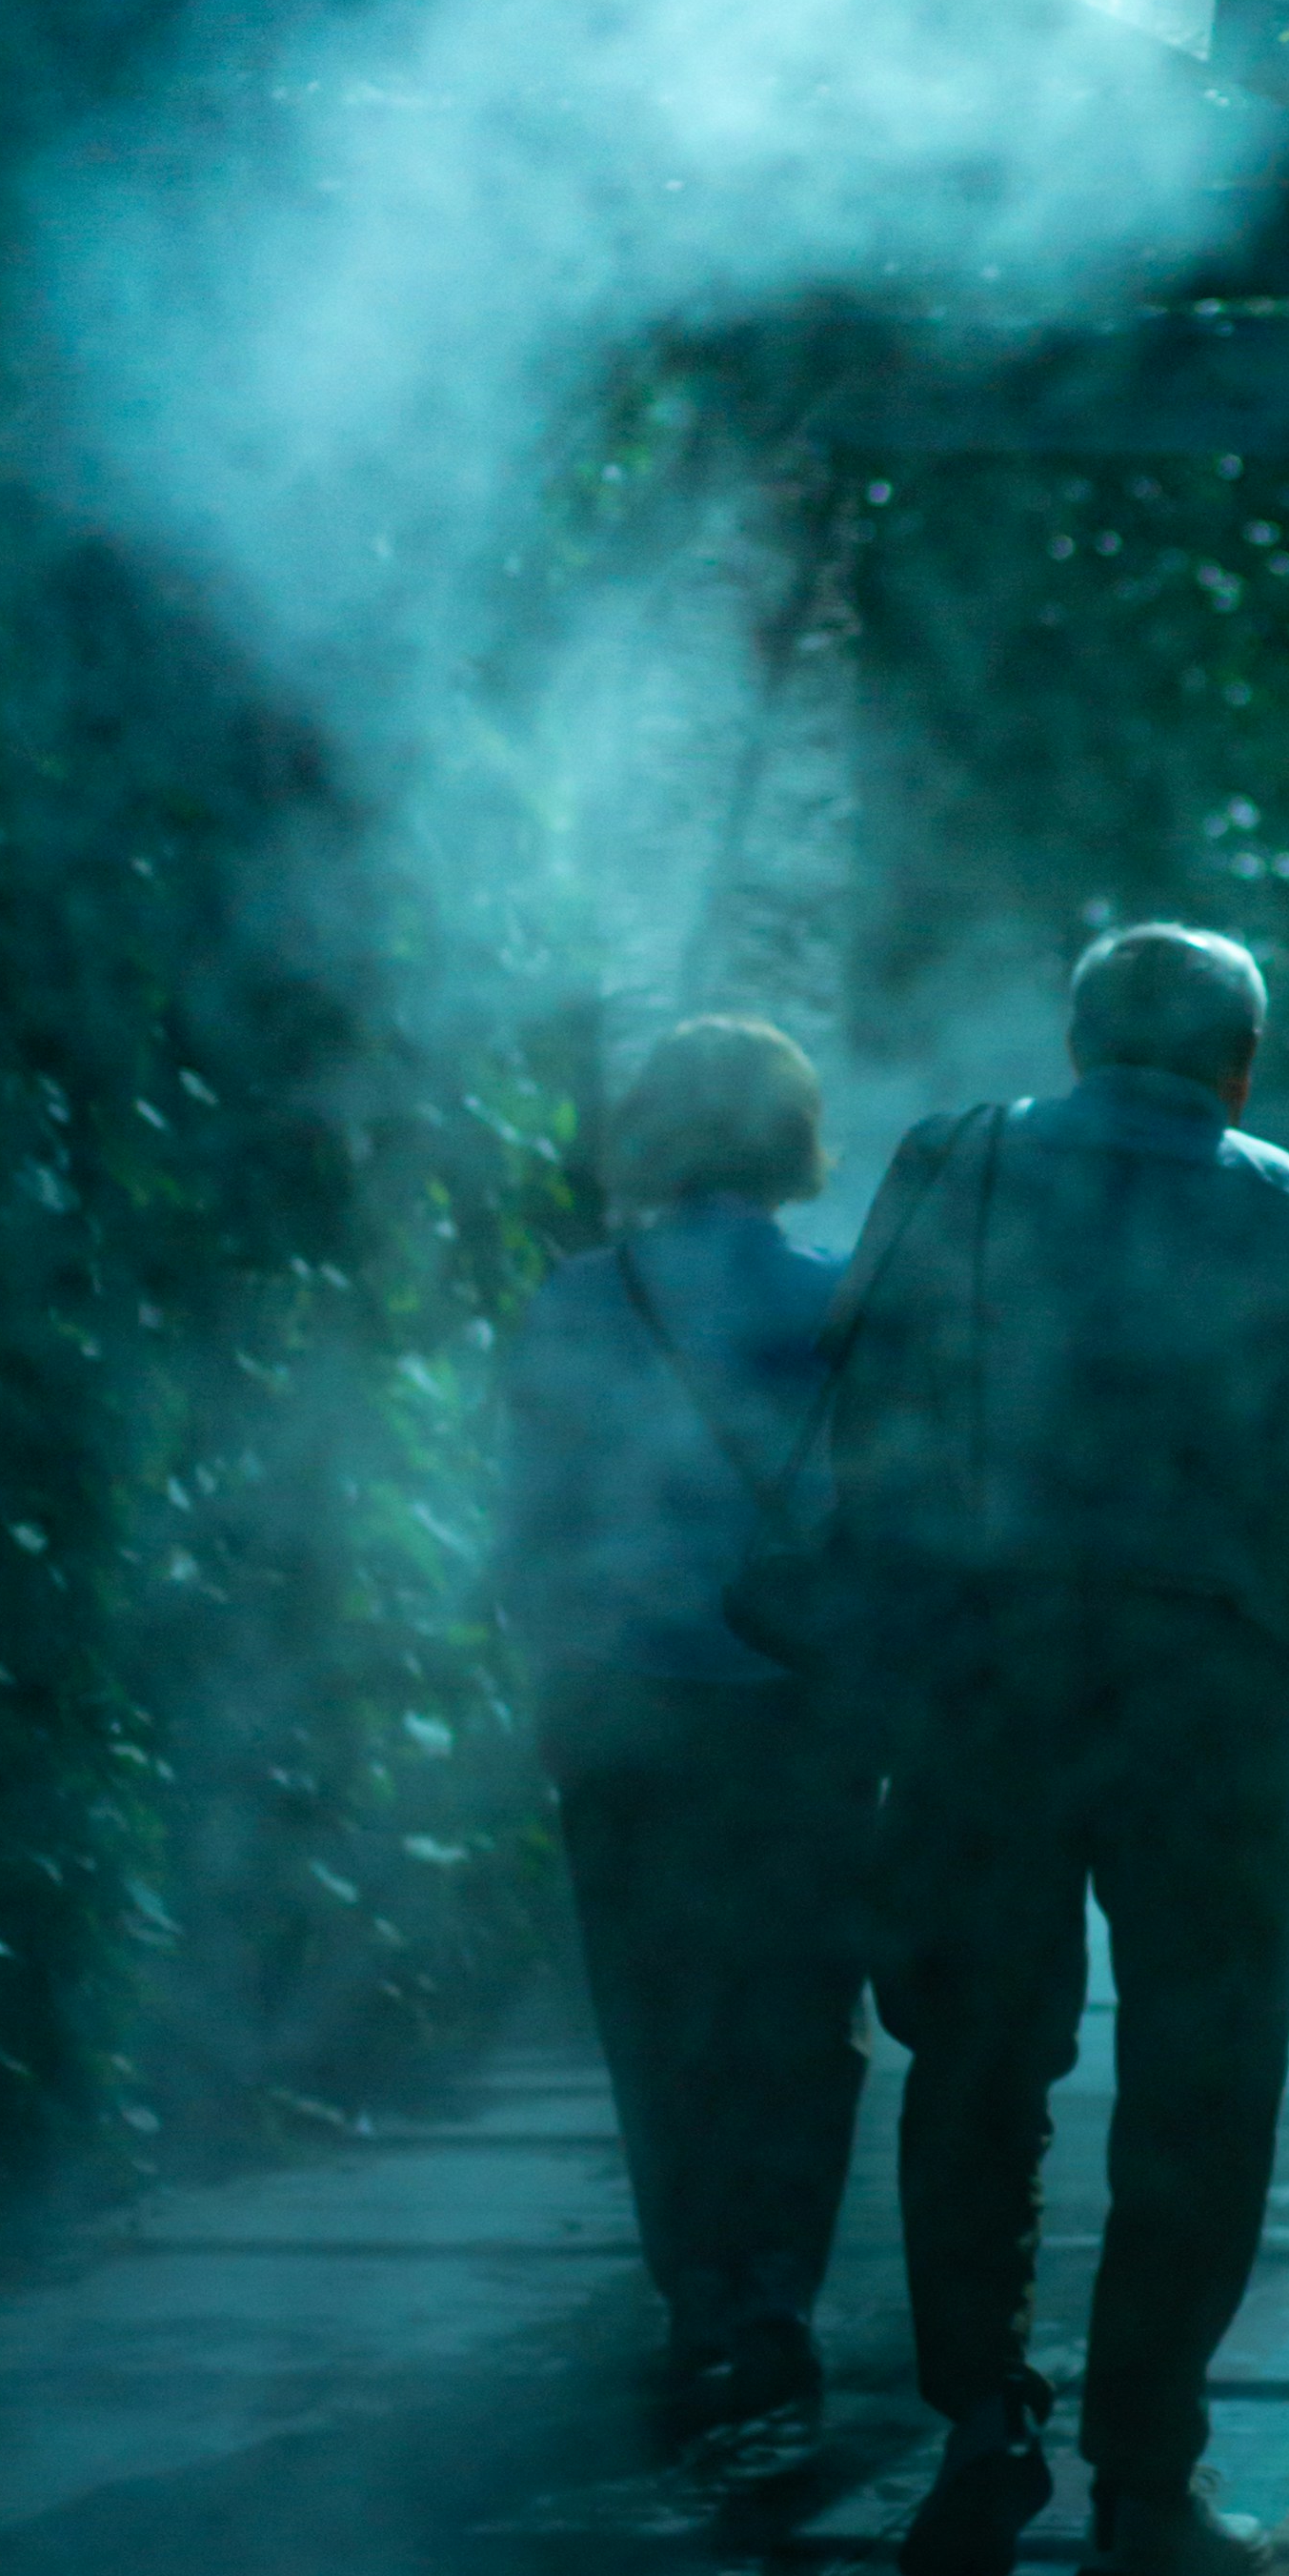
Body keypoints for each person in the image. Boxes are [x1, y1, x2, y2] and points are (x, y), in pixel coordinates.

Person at [829, 923, 1289, 2576]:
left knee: (978, 2064)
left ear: (1077, 1039)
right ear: (1241, 1060)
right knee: (1201, 2086)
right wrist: (1272, 1695)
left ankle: (983, 2427)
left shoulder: (957, 1162)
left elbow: (863, 1419)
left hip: (984, 1681)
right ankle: (1150, 2482)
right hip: (1204, 1689)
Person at [499, 1013, 869, 2429]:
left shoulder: (578, 1301)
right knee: (802, 2004)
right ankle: (779, 2288)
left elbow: (534, 1519)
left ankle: (694, 2289)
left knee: (655, 2003)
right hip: (798, 1701)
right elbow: (880, 1512)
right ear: (796, 1142)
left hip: (620, 1693)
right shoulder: (840, 1301)